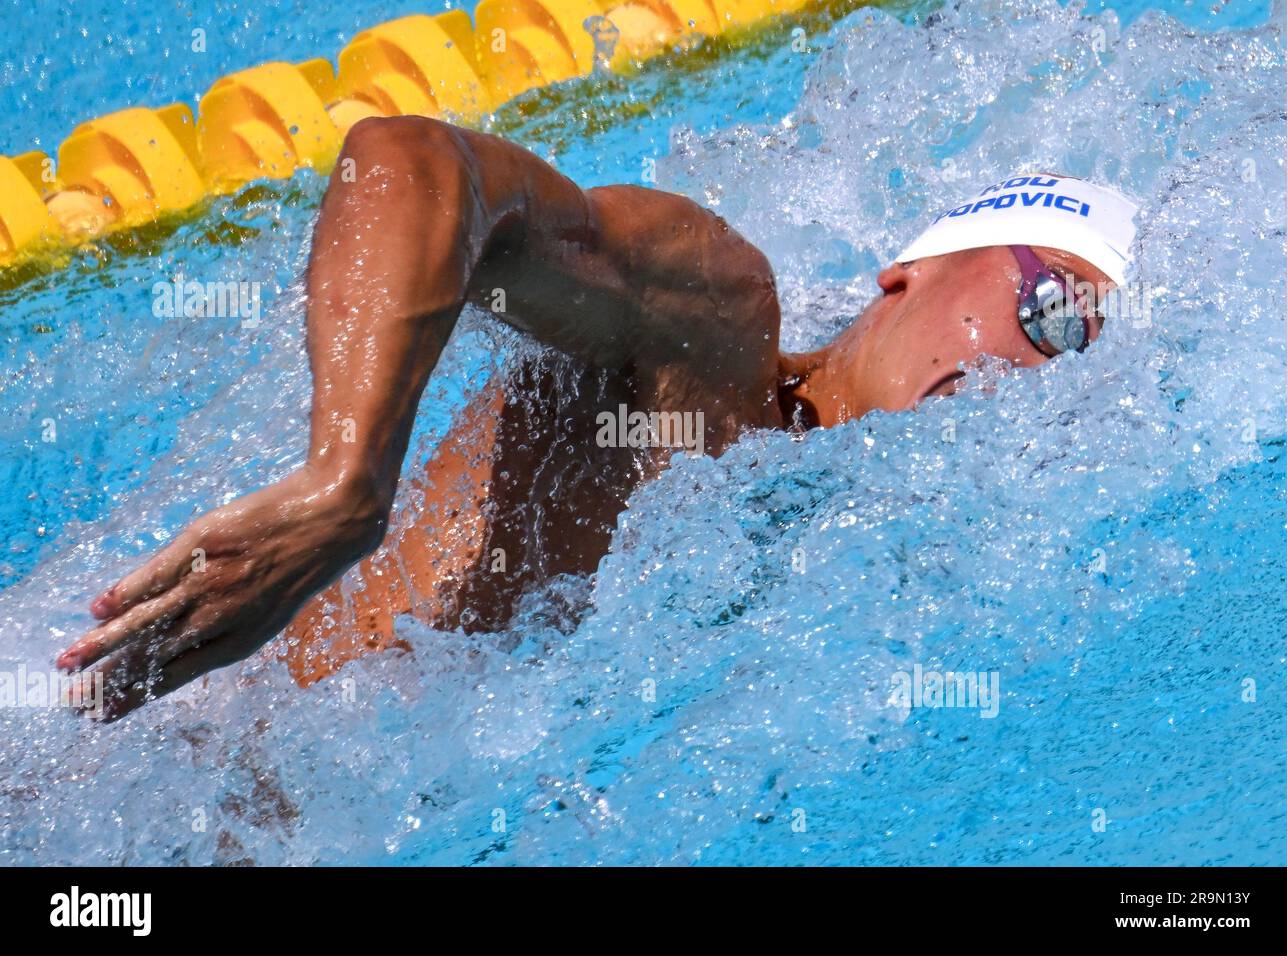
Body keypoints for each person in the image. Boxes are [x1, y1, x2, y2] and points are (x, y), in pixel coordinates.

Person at [56, 116, 1138, 719]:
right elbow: (407, 161)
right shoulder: (712, 332)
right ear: (908, 268)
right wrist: (348, 479)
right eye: (1049, 308)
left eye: (1079, 357)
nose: (1035, 368)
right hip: (132, 733)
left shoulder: (852, 566)